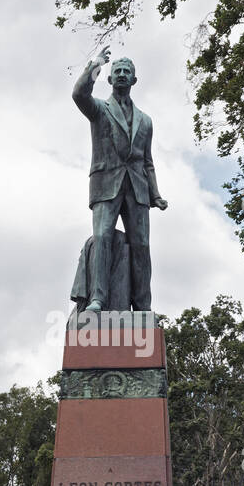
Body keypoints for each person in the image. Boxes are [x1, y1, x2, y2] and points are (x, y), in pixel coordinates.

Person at [72, 48, 168, 313]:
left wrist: (156, 195)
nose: (123, 75)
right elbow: (79, 95)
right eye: (118, 72)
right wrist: (95, 65)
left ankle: (143, 305)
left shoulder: (146, 121)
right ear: (111, 79)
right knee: (102, 237)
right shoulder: (100, 110)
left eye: (127, 72)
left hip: (137, 189)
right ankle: (98, 299)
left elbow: (147, 161)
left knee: (142, 245)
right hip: (106, 184)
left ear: (134, 80)